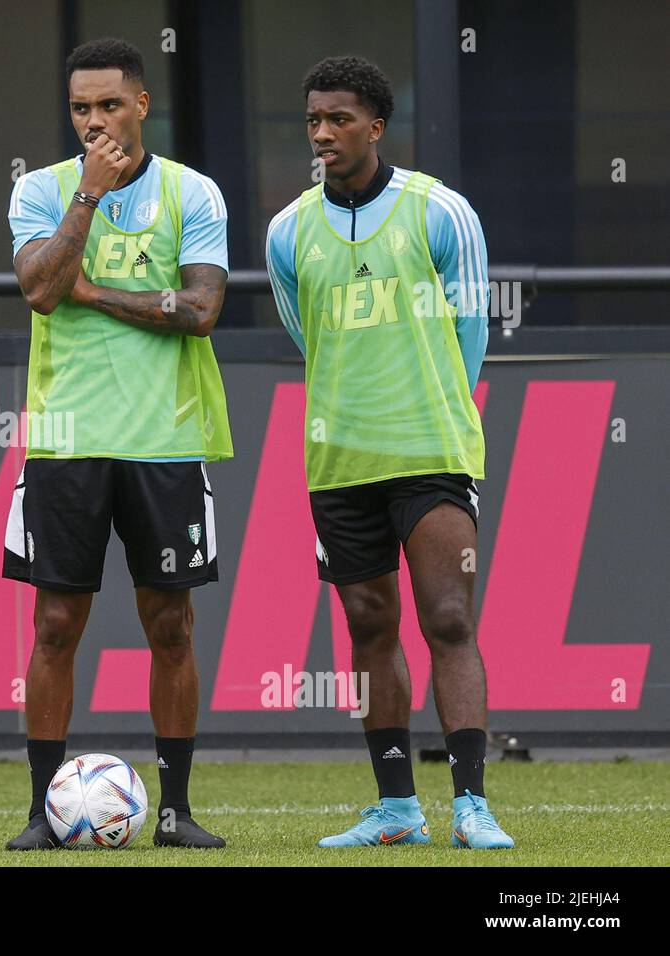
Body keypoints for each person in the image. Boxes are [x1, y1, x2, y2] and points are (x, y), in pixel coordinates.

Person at [264, 55, 512, 849]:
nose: (323, 134)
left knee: (448, 618)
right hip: (339, 460)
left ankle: (471, 803)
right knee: (370, 625)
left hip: (432, 447)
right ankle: (398, 808)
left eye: (339, 119)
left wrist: (430, 403)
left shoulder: (441, 212)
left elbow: (471, 332)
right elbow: (308, 337)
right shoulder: (287, 229)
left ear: (376, 125)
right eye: (313, 120)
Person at [3, 37, 233, 850]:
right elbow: (38, 290)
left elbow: (200, 309)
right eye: (80, 108)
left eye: (109, 105)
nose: (94, 122)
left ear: (142, 104)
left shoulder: (192, 193)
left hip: (166, 441)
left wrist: (92, 290)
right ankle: (40, 810)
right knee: (56, 626)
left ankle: (175, 810)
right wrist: (87, 199)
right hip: (67, 442)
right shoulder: (41, 190)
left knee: (169, 626)